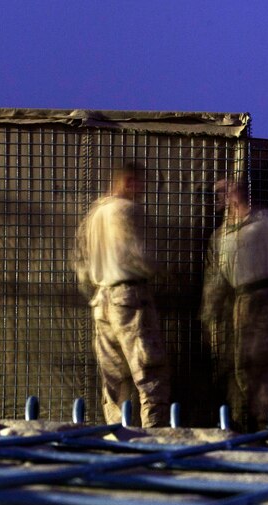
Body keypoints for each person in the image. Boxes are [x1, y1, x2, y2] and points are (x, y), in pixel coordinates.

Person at [73, 162, 170, 426]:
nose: (143, 191)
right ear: (128, 181)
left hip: (101, 300)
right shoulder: (128, 210)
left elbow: (80, 264)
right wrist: (163, 272)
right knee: (148, 370)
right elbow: (141, 257)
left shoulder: (93, 214)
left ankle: (118, 433)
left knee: (114, 379)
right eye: (141, 184)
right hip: (131, 297)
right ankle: (155, 436)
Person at [202, 177, 268, 430]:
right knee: (243, 366)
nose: (218, 197)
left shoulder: (263, 224)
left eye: (223, 191)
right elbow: (218, 276)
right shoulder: (222, 234)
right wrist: (210, 314)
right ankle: (251, 420)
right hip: (241, 301)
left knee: (266, 362)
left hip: (266, 298)